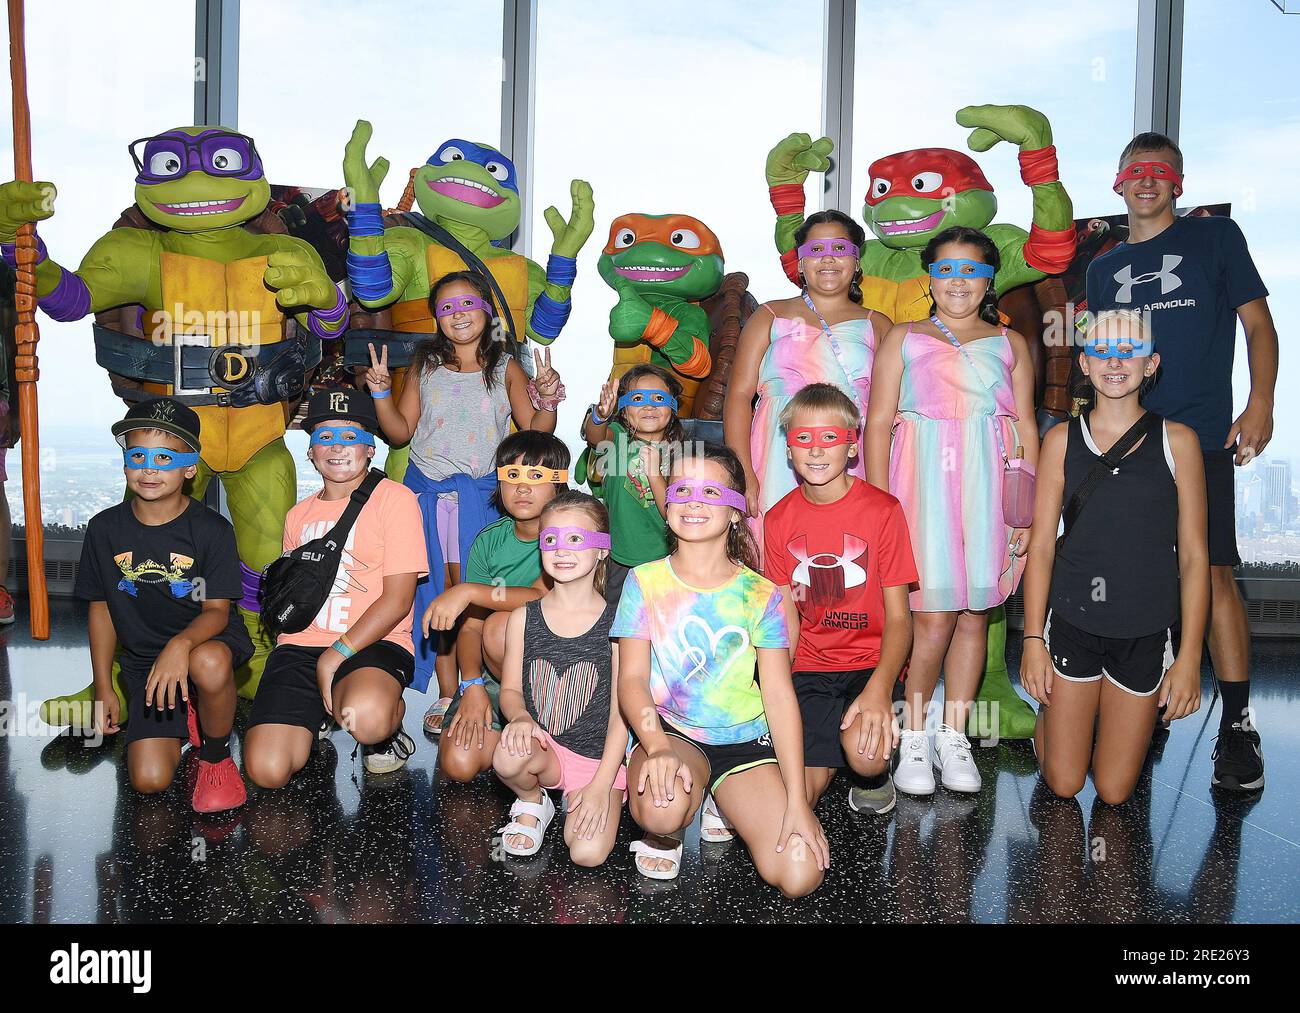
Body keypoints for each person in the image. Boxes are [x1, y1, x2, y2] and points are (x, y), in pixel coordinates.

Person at [1086, 132, 1276, 792]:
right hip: (1130, 442)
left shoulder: (1216, 241)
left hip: (1199, 438)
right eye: (1136, 170)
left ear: (1179, 185)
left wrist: (1261, 404)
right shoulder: (1102, 269)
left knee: (1215, 573)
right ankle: (1147, 701)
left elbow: (1259, 325)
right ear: (1117, 183)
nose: (1148, 180)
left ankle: (1239, 725)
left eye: (1161, 172)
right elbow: (1106, 361)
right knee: (1139, 571)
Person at [866, 225, 1038, 796]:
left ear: (989, 278)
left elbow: (1027, 428)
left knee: (974, 617)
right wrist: (874, 503)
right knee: (932, 617)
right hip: (920, 491)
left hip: (988, 491)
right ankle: (913, 734)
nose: (958, 281)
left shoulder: (1010, 344)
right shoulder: (905, 338)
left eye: (971, 270)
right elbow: (878, 422)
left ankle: (953, 733)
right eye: (946, 270)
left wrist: (1025, 514)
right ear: (929, 278)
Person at [614, 442, 826, 895]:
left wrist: (797, 800)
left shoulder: (762, 595)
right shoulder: (644, 581)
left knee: (799, 874)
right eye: (683, 490)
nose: (693, 501)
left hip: (744, 741)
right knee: (661, 808)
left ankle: (722, 799)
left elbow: (778, 695)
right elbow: (631, 680)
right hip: (671, 732)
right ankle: (669, 829)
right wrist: (656, 747)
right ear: (667, 503)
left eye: (711, 492)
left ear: (735, 512)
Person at [363, 270, 565, 736]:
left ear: (488, 310)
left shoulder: (506, 368)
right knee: (433, 592)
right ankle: (446, 691)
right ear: (436, 317)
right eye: (447, 307)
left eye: (468, 304)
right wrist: (378, 392)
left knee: (471, 591)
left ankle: (492, 687)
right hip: (428, 493)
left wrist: (550, 399)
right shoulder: (425, 367)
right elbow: (399, 432)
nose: (458, 315)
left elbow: (537, 427)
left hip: (481, 496)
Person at [1021, 310, 1208, 805]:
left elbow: (1193, 557)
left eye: (1130, 351)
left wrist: (1189, 659)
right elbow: (1041, 548)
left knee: (1115, 791)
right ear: (1085, 362)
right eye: (1103, 351)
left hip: (1144, 631)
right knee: (1063, 783)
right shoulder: (1060, 440)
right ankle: (1057, 718)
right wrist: (1033, 639)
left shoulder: (1178, 442)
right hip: (1074, 624)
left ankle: (1095, 717)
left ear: (1152, 364)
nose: (1116, 361)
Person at [75, 397, 252, 812]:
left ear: (190, 468)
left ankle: (215, 754)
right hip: (145, 663)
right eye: (138, 455)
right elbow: (100, 608)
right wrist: (104, 685)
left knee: (206, 662)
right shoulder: (104, 529)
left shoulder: (211, 530)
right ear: (124, 464)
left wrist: (179, 647)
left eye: (165, 458)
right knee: (149, 780)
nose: (149, 468)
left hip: (208, 640)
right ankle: (186, 715)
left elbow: (216, 612)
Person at [243, 389, 426, 786]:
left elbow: (398, 601)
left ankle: (385, 735)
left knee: (366, 720)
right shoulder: (297, 515)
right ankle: (315, 715)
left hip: (373, 641)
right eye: (325, 437)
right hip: (300, 644)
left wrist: (334, 656)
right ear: (310, 451)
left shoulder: (395, 500)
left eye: (350, 437)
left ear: (370, 450)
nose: (337, 447)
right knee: (266, 771)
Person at [763, 383, 916, 816]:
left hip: (872, 664)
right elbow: (784, 615)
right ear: (789, 450)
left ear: (852, 446)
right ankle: (829, 751)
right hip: (810, 665)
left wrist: (880, 690)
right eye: (803, 439)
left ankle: (871, 771)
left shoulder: (883, 511)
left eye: (829, 437)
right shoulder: (777, 519)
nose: (815, 450)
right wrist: (773, 686)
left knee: (867, 759)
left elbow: (901, 620)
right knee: (789, 802)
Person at [724, 210, 893, 541]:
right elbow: (739, 396)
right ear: (799, 263)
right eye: (815, 250)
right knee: (775, 554)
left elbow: (888, 414)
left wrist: (879, 482)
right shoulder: (770, 315)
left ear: (857, 262)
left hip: (850, 456)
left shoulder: (879, 325)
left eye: (840, 249)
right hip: (776, 457)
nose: (828, 258)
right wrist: (744, 472)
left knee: (848, 555)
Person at [492, 491, 627, 866]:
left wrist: (601, 785)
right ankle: (533, 801)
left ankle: (579, 797)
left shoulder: (619, 624)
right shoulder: (523, 618)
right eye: (550, 540)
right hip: (544, 747)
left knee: (587, 853)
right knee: (506, 756)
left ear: (602, 550)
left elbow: (622, 716)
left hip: (598, 763)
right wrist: (519, 717)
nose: (561, 550)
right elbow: (511, 691)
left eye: (575, 539)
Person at [433, 430, 569, 784]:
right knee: (459, 764)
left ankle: (544, 730)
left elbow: (542, 597)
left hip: (560, 673)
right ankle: (509, 731)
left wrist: (469, 590)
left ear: (559, 485)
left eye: (536, 476)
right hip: (496, 672)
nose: (522, 488)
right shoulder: (489, 541)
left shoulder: (569, 534)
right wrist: (472, 685)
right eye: (512, 476)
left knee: (502, 624)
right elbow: (471, 627)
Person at [581, 363, 682, 604]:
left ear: (672, 408)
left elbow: (672, 513)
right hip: (620, 560)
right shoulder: (618, 438)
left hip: (665, 561)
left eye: (659, 398)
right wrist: (600, 416)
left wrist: (655, 474)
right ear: (624, 411)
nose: (649, 405)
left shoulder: (680, 453)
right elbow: (596, 437)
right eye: (637, 398)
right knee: (618, 623)